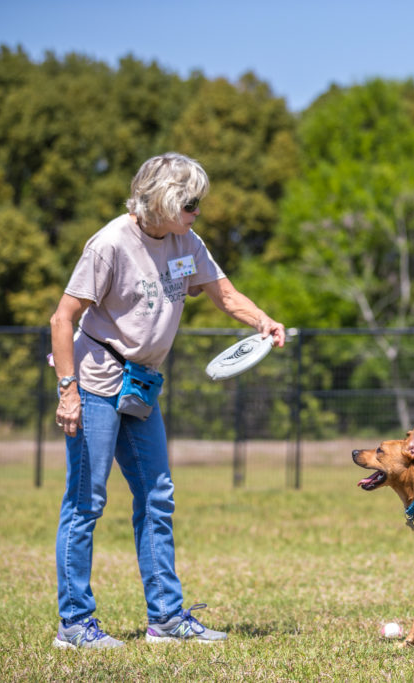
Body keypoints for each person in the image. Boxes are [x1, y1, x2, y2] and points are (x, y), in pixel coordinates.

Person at [49, 152, 285, 649]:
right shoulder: (110, 243)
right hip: (94, 380)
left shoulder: (186, 241)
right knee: (86, 502)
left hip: (142, 383)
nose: (199, 211)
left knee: (158, 498)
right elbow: (61, 319)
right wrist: (67, 392)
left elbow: (223, 293)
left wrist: (262, 320)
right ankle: (75, 624)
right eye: (192, 203)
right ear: (164, 199)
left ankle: (166, 619)